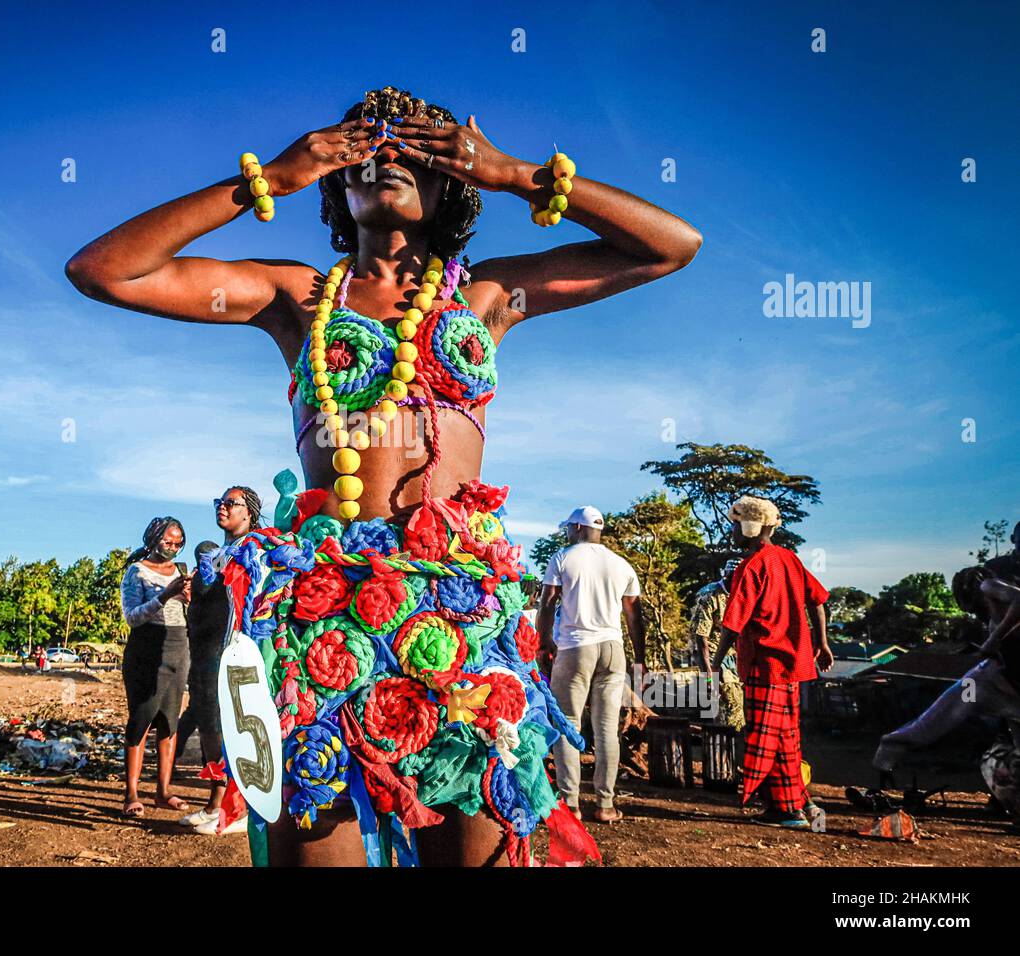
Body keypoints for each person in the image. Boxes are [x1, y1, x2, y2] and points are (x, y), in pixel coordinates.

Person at [67, 84, 700, 866]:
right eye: (368, 145)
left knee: (476, 843)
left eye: (417, 148)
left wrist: (518, 175)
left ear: (450, 180)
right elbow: (104, 270)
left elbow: (671, 245)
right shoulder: (295, 294)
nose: (388, 158)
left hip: (463, 607)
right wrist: (270, 176)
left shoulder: (488, 294)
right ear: (337, 178)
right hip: (321, 608)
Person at [710, 496, 832, 829]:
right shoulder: (790, 559)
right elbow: (818, 601)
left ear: (749, 527)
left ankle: (786, 808)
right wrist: (822, 642)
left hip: (766, 666)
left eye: (735, 524)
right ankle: (789, 806)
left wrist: (716, 661)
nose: (731, 531)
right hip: (793, 667)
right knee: (785, 738)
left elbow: (733, 622)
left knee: (765, 737)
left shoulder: (751, 566)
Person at [537, 506, 645, 823]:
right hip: (613, 649)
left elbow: (546, 603)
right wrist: (640, 658)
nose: (567, 533)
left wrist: (544, 643)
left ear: (579, 528)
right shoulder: (621, 565)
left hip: (575, 647)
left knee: (567, 723)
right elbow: (635, 616)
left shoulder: (563, 558)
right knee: (606, 729)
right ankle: (606, 804)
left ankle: (570, 803)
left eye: (569, 528)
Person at [872, 567, 1020, 778]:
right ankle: (889, 752)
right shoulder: (995, 614)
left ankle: (890, 749)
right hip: (1006, 681)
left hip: (998, 682)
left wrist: (993, 639)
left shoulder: (987, 586)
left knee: (947, 707)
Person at [176, 487, 264, 836]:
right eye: (219, 502)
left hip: (234, 651)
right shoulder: (217, 554)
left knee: (235, 727)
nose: (223, 508)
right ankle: (216, 803)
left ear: (250, 513)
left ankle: (238, 808)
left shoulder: (254, 549)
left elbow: (249, 602)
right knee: (211, 727)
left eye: (231, 503)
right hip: (205, 652)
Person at [119, 516, 192, 817]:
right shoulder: (136, 572)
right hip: (146, 652)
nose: (173, 548)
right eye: (167, 542)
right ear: (152, 538)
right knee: (141, 719)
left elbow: (192, 613)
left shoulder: (183, 571)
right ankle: (131, 793)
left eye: (178, 543)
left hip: (179, 649)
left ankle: (163, 792)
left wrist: (189, 598)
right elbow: (132, 617)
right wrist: (165, 594)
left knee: (169, 722)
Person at [691, 559, 745, 731]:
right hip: (714, 656)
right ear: (727, 576)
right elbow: (701, 638)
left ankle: (726, 748)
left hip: (735, 656)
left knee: (735, 707)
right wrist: (709, 674)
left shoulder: (743, 593)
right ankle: (727, 748)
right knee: (732, 705)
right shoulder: (709, 595)